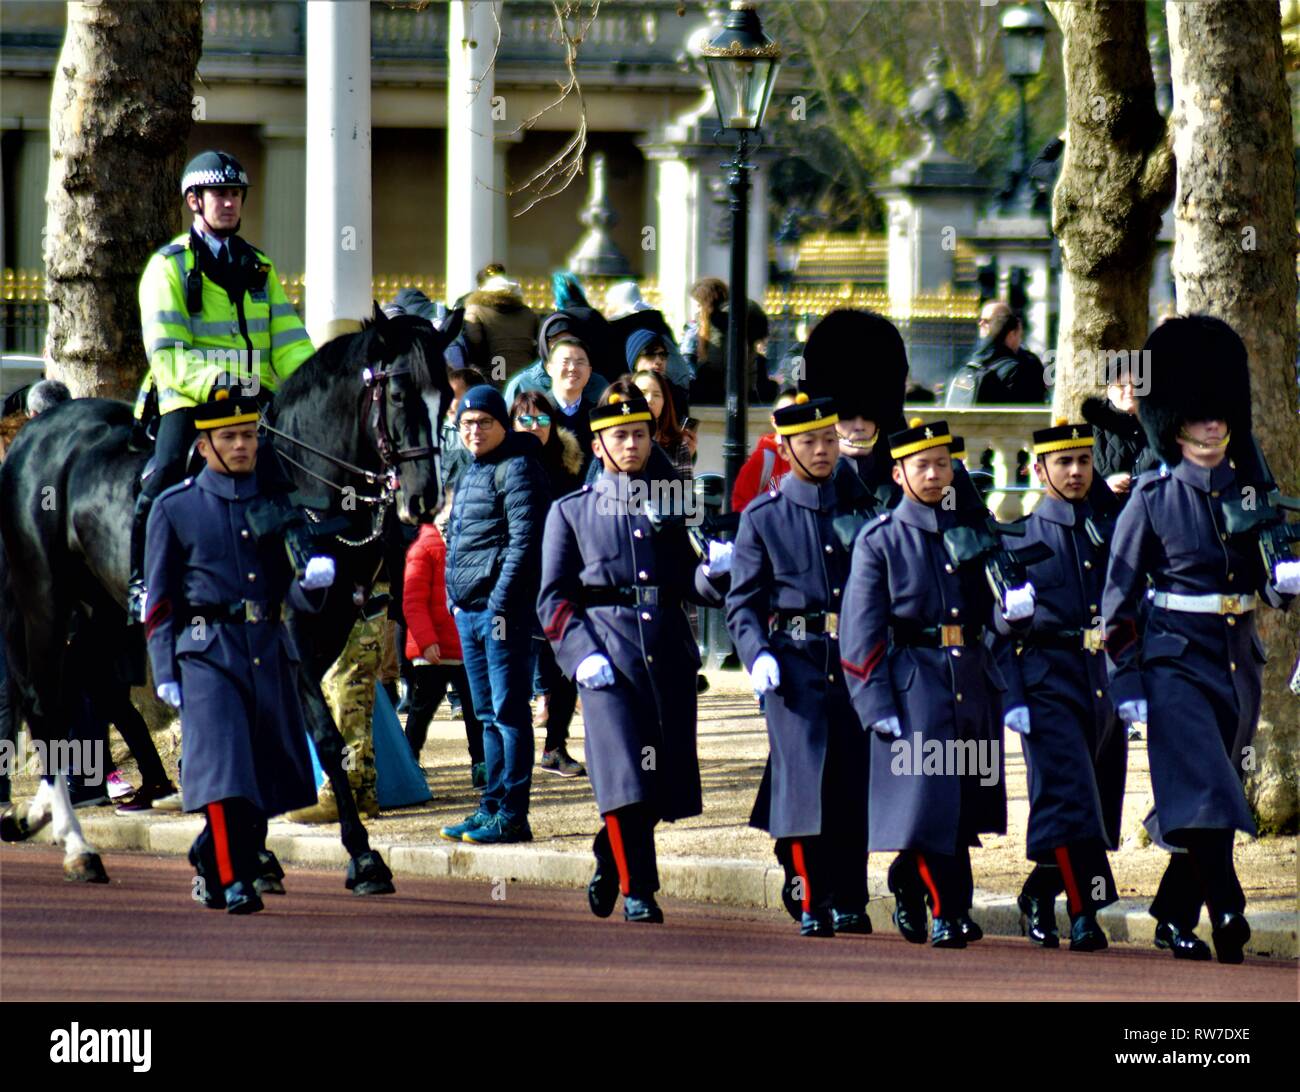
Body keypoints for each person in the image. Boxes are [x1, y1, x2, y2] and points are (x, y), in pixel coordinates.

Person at [1102, 315, 1299, 964]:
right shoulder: (1151, 498)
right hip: (1173, 662)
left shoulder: (1249, 492)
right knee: (1211, 788)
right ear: (1174, 423)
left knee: (1206, 794)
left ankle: (1172, 914)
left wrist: (1283, 583)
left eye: (1221, 417)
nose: (1213, 427)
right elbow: (1119, 599)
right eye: (1199, 418)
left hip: (1237, 660)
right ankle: (1230, 910)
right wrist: (1126, 681)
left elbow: (1265, 584)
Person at [537, 391, 732, 923]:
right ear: (598, 445)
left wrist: (716, 572)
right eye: (619, 435)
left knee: (655, 778)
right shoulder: (570, 511)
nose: (631, 443)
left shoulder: (671, 503)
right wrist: (578, 655)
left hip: (666, 651)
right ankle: (639, 890)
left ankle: (609, 856)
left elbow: (688, 583)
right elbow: (553, 598)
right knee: (624, 774)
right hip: (608, 656)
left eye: (640, 434)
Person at [839, 419, 1033, 948]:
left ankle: (908, 876)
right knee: (929, 798)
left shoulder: (971, 529)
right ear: (898, 473)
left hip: (969, 674)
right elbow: (861, 628)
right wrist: (872, 697)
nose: (933, 474)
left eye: (942, 465)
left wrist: (1012, 613)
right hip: (913, 678)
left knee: (961, 801)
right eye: (921, 466)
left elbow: (990, 615)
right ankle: (949, 909)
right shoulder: (880, 539)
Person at [144, 389, 336, 914]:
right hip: (206, 652)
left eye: (248, 435)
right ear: (203, 446)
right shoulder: (174, 506)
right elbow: (158, 601)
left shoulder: (276, 504)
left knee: (264, 775)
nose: (241, 445)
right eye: (228, 437)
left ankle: (210, 855)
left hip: (267, 645)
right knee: (227, 771)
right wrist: (164, 666)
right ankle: (236, 882)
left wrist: (313, 584)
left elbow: (289, 593)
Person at [129, 150, 315, 620]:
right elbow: (167, 353)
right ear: (194, 201)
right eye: (219, 194)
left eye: (235, 194)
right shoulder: (168, 266)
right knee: (164, 474)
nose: (229, 203)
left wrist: (314, 379)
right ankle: (140, 583)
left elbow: (288, 341)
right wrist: (219, 380)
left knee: (290, 478)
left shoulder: (260, 266)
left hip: (253, 403)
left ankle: (301, 568)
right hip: (188, 399)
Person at [726, 394, 871, 938]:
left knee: (851, 782)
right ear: (785, 448)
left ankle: (852, 898)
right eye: (809, 442)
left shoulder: (859, 507)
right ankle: (813, 898)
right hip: (793, 662)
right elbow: (742, 601)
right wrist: (756, 652)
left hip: (854, 662)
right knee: (805, 780)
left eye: (829, 440)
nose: (822, 450)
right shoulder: (764, 516)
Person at [993, 421, 1124, 952]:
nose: (1075, 472)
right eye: (1063, 463)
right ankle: (1084, 912)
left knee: (1093, 800)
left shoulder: (1108, 529)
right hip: (1046, 679)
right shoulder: (1017, 536)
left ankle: (1036, 892)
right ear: (1038, 469)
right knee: (1071, 797)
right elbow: (995, 630)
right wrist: (1011, 696)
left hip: (1101, 681)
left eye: (1084, 461)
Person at [439, 386, 550, 845]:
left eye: (484, 422)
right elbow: (458, 537)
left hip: (501, 612)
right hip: (468, 610)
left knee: (508, 713)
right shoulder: (470, 470)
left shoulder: (518, 467)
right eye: (467, 424)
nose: (474, 431)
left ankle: (512, 815)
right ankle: (489, 806)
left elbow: (525, 543)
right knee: (484, 714)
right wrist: (452, 597)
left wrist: (501, 600)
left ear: (503, 424)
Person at [511, 390, 587, 778]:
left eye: (542, 419)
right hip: (517, 578)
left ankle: (555, 745)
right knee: (514, 670)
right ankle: (509, 754)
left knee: (564, 664)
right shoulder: (506, 465)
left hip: (560, 575)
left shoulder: (567, 465)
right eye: (525, 420)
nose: (534, 427)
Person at [402, 519, 485, 787]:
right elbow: (412, 601)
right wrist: (426, 641)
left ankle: (481, 764)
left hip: (463, 645)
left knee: (476, 710)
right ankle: (408, 761)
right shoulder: (423, 549)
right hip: (433, 651)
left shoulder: (466, 545)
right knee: (422, 709)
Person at [1082, 361, 1160, 503]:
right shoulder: (1092, 430)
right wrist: (1105, 486)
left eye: (1137, 385)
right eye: (1122, 385)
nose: (1130, 390)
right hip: (1106, 515)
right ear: (1110, 390)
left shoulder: (1160, 427)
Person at [945, 302, 1047, 406]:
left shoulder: (971, 362)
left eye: (986, 321)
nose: (981, 324)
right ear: (1013, 332)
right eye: (980, 320)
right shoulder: (1020, 368)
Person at [462, 263, 539, 384]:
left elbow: (475, 340)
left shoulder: (475, 310)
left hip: (495, 374)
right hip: (525, 375)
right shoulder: (527, 312)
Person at [730, 389, 799, 513]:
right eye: (785, 414)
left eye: (798, 414)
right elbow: (741, 508)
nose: (793, 420)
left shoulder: (812, 456)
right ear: (774, 421)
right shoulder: (762, 459)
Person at [632, 369, 692, 479]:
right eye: (642, 393)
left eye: (656, 395)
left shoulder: (678, 446)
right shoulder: (621, 442)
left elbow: (685, 493)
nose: (649, 400)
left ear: (664, 402)